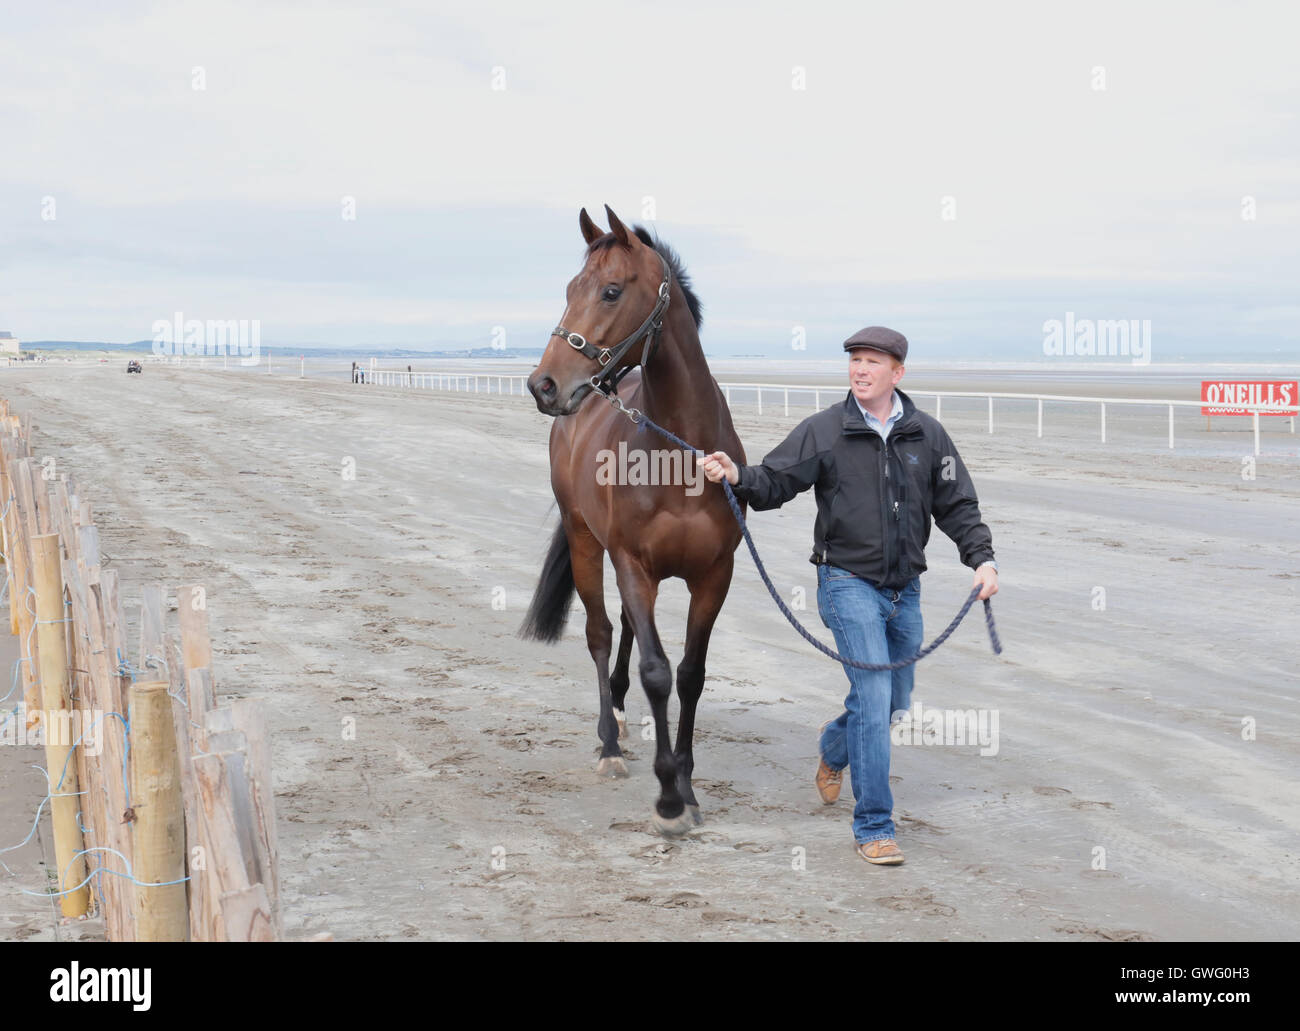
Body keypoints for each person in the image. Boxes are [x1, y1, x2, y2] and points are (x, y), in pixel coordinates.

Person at [700, 326, 998, 866]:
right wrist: (736, 474)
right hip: (846, 583)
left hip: (906, 590)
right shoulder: (826, 431)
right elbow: (773, 482)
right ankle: (875, 826)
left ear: (898, 373)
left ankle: (833, 747)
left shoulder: (928, 437)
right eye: (855, 361)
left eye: (872, 362)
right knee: (877, 693)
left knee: (890, 703)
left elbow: (957, 504)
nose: (860, 370)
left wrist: (982, 559)